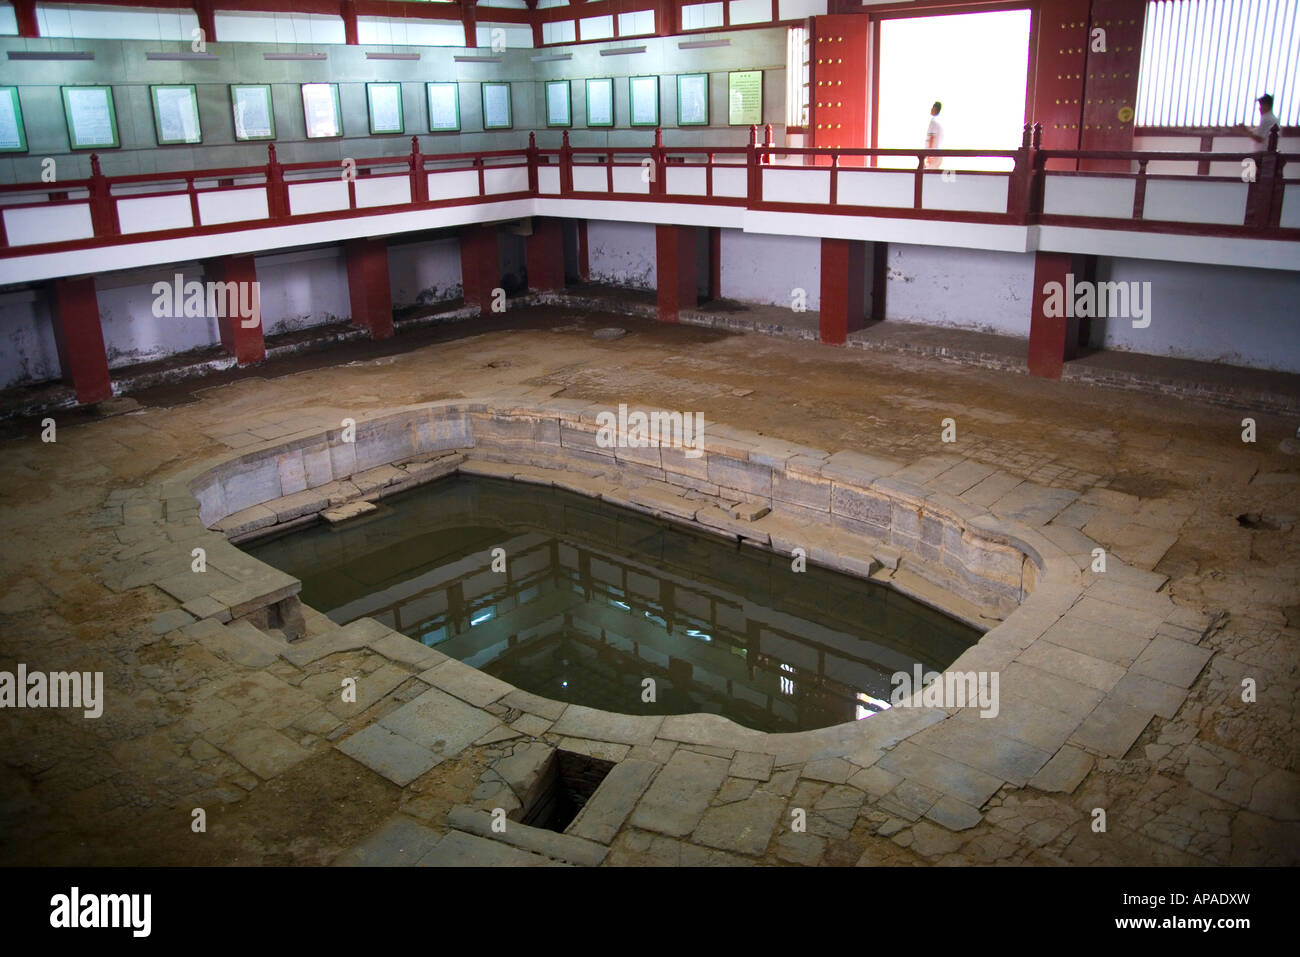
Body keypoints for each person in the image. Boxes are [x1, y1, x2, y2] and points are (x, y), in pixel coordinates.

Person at [924, 101, 944, 169]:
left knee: (929, 174)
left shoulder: (933, 121)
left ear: (935, 109)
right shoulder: (940, 122)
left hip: (933, 155)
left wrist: (929, 154)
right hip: (939, 154)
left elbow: (932, 137)